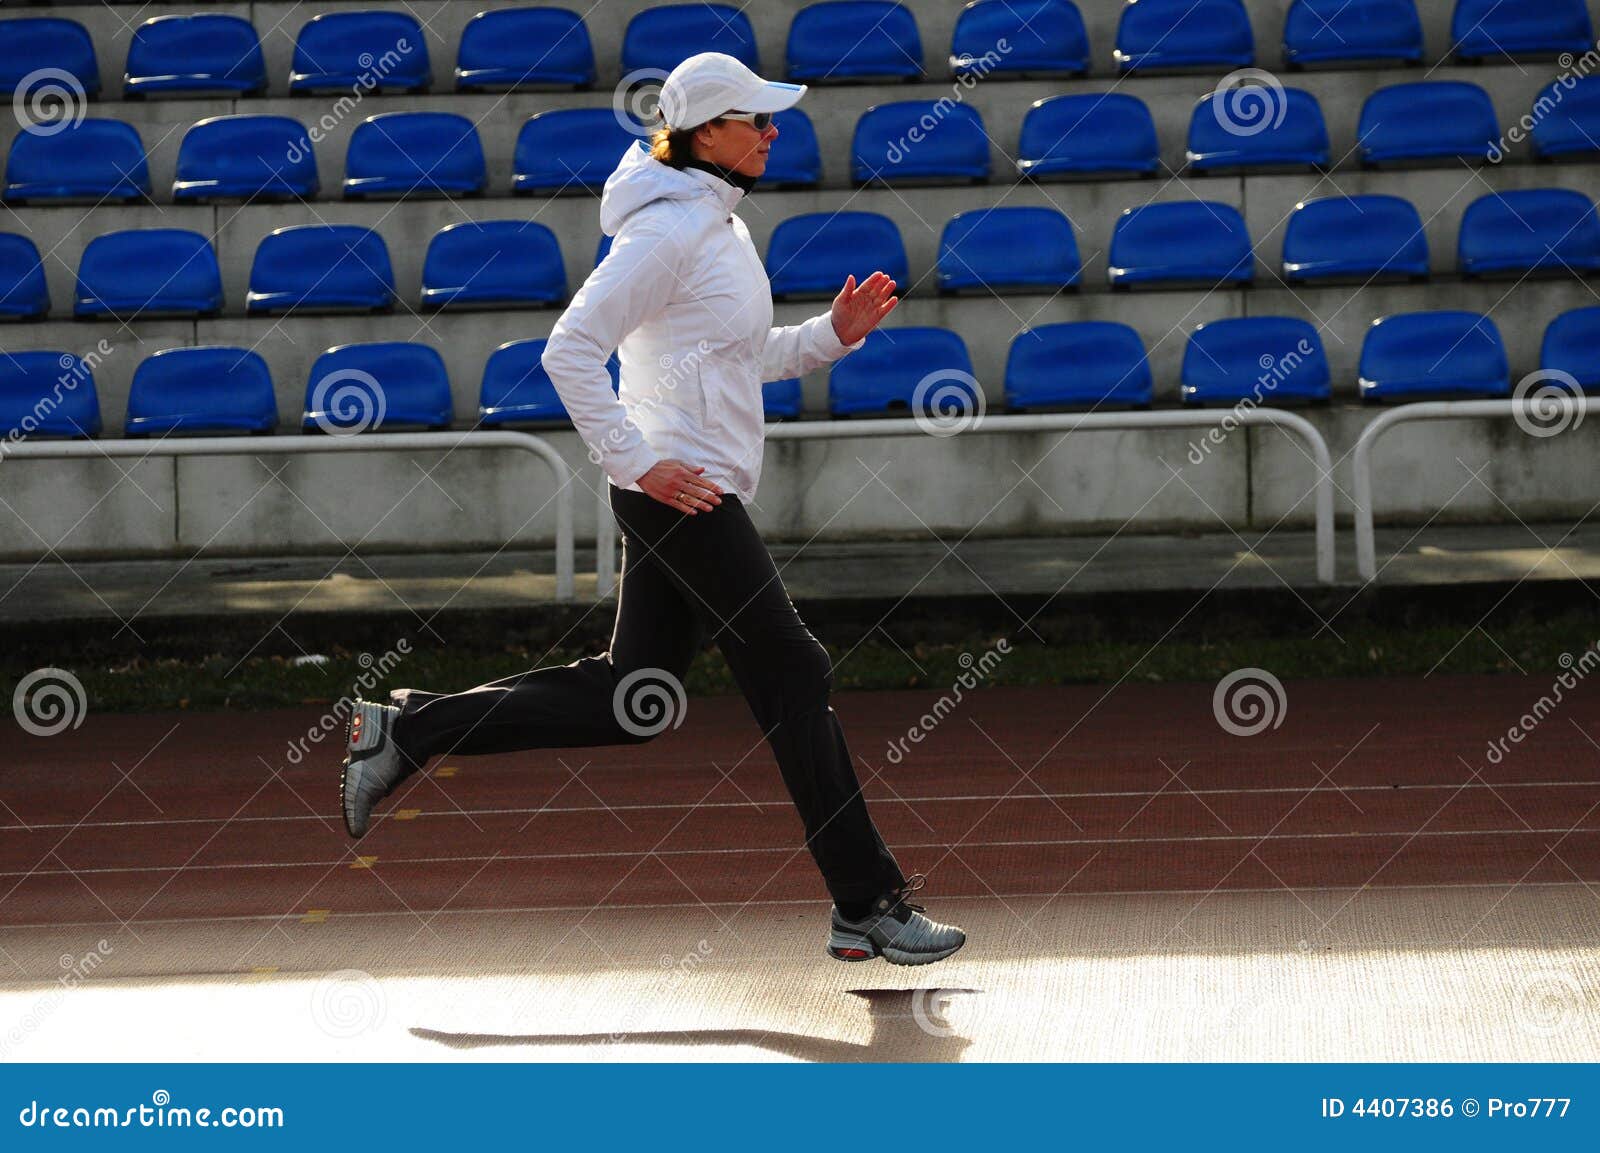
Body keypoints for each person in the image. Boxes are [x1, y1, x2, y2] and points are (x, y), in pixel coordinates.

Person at [338, 52, 965, 966]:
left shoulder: (718, 222)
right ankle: (866, 904)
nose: (773, 131)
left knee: (637, 698)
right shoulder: (666, 231)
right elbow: (568, 350)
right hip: (681, 491)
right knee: (793, 668)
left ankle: (411, 727)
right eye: (756, 118)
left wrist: (830, 337)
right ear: (707, 133)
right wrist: (638, 462)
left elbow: (733, 355)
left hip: (692, 487)